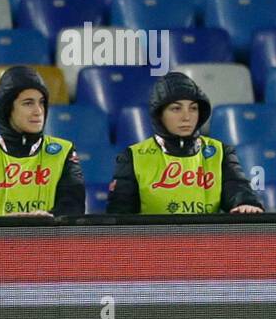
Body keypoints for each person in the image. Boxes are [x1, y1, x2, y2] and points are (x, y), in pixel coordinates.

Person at [106, 72, 264, 215]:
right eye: (176, 109)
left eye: (193, 108)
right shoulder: (133, 156)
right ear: (159, 114)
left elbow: (236, 187)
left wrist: (246, 202)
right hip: (154, 244)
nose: (186, 117)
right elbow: (119, 218)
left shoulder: (220, 151)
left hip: (206, 243)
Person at [0, 66, 86, 217]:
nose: (38, 111)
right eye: (28, 103)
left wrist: (44, 221)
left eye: (42, 102)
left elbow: (73, 207)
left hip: (50, 239)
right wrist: (8, 225)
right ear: (7, 109)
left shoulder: (65, 151)